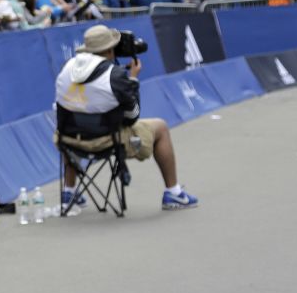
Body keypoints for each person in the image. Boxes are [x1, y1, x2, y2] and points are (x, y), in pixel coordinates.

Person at [55, 25, 198, 211]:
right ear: (109, 49)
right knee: (160, 127)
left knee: (77, 120)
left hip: (68, 140)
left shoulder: (67, 68)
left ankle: (69, 192)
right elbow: (132, 117)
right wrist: (132, 80)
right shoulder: (115, 76)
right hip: (106, 141)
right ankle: (174, 193)